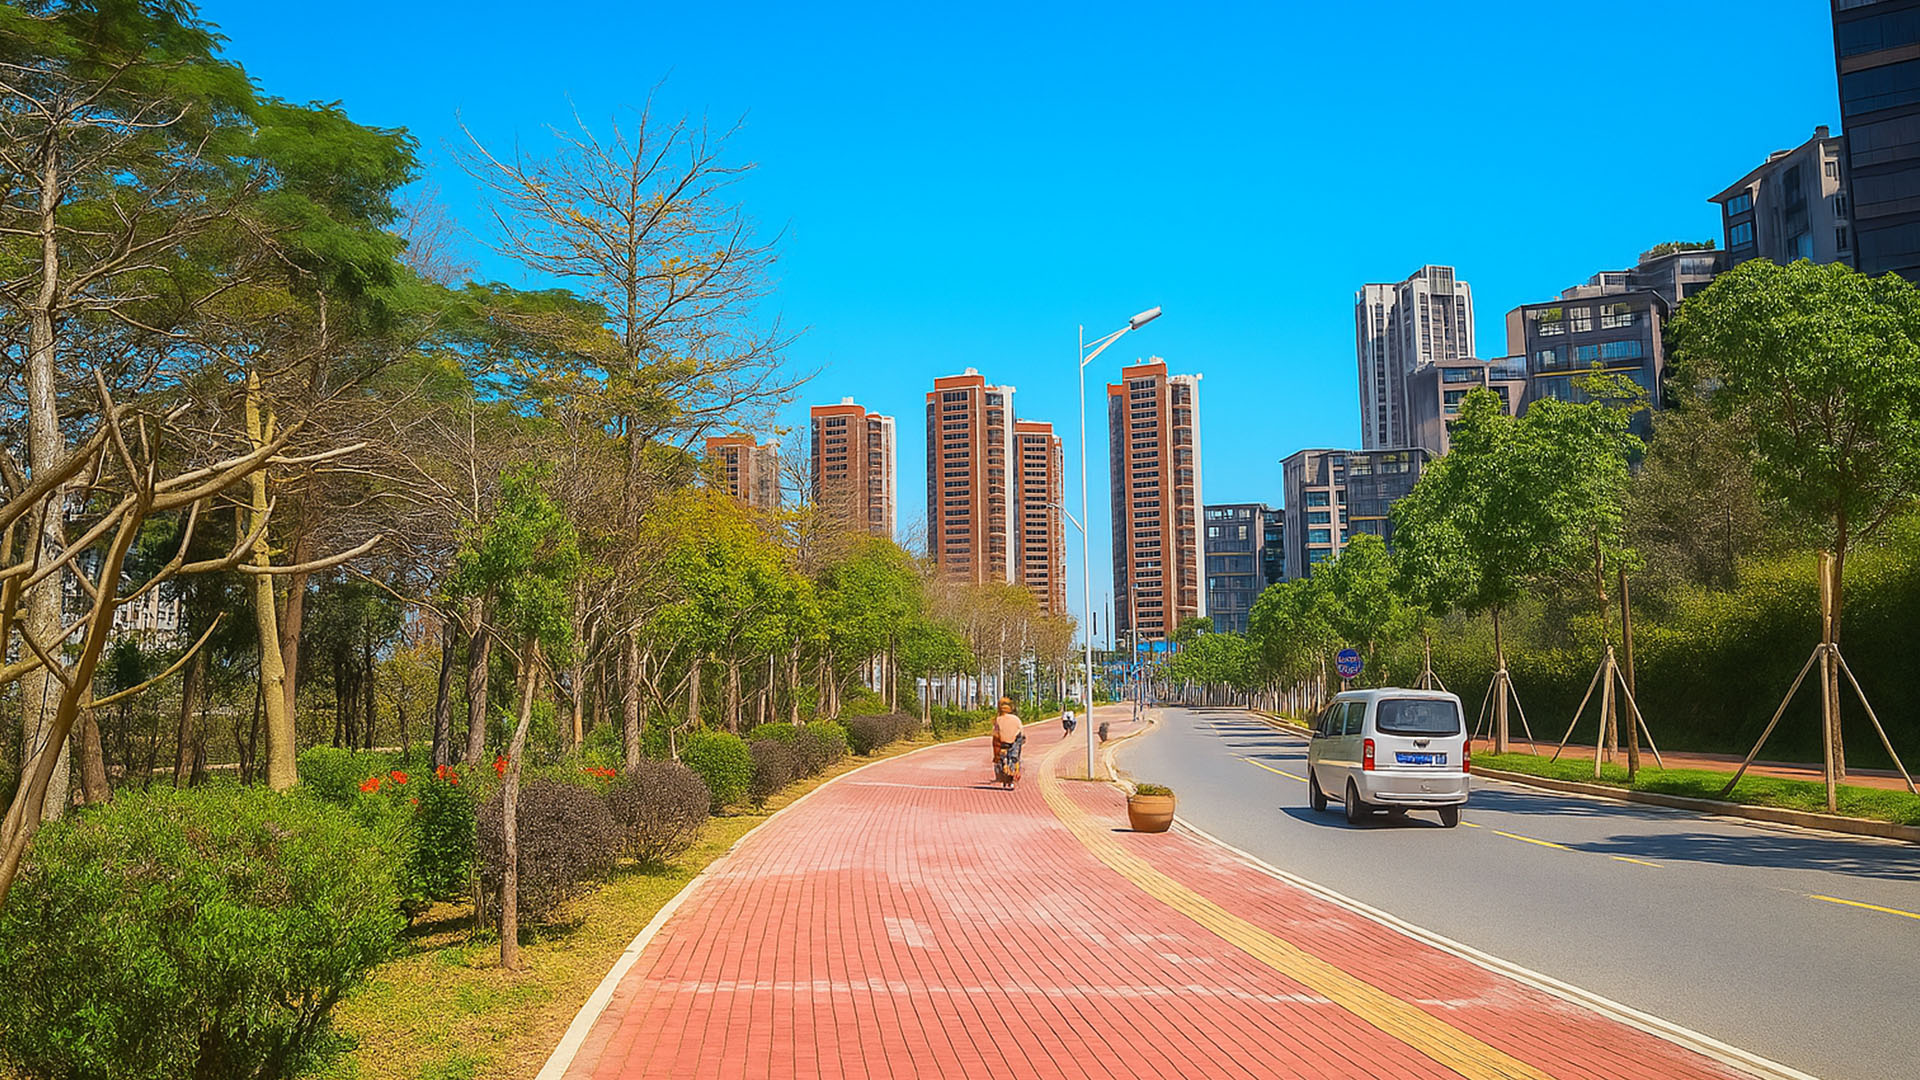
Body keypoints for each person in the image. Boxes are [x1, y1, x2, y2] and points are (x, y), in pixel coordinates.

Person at [991, 697, 1025, 786]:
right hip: (1014, 743)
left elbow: (995, 734)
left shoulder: (998, 720)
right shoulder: (1016, 719)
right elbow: (1021, 731)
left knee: (1001, 759)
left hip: (1002, 744)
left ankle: (1005, 775)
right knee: (1015, 759)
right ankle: (1013, 774)